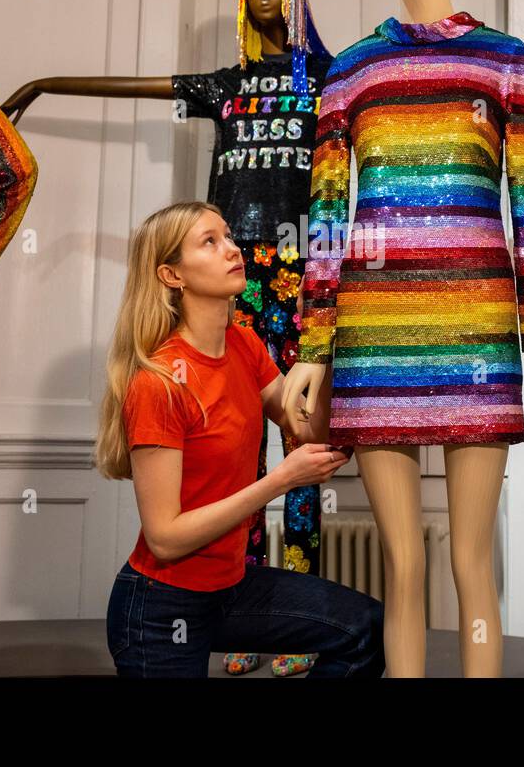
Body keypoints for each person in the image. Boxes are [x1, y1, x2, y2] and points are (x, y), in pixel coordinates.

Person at [95, 200, 385, 677]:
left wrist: (322, 343)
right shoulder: (161, 382)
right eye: (210, 242)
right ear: (172, 276)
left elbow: (308, 427)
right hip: (161, 608)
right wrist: (281, 481)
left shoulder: (245, 344)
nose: (232, 249)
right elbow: (165, 539)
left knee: (363, 628)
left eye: (228, 236)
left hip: (229, 591)